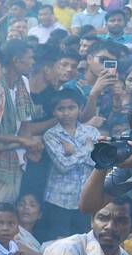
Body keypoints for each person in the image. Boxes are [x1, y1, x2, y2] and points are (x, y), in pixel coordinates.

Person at [40, 88, 98, 240]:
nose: (66, 113)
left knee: (85, 240)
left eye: (71, 108)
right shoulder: (51, 134)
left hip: (85, 198)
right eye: (61, 109)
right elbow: (63, 166)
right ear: (53, 112)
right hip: (59, 200)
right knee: (60, 241)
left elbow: (97, 161)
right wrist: (87, 148)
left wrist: (74, 151)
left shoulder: (92, 132)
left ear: (80, 108)